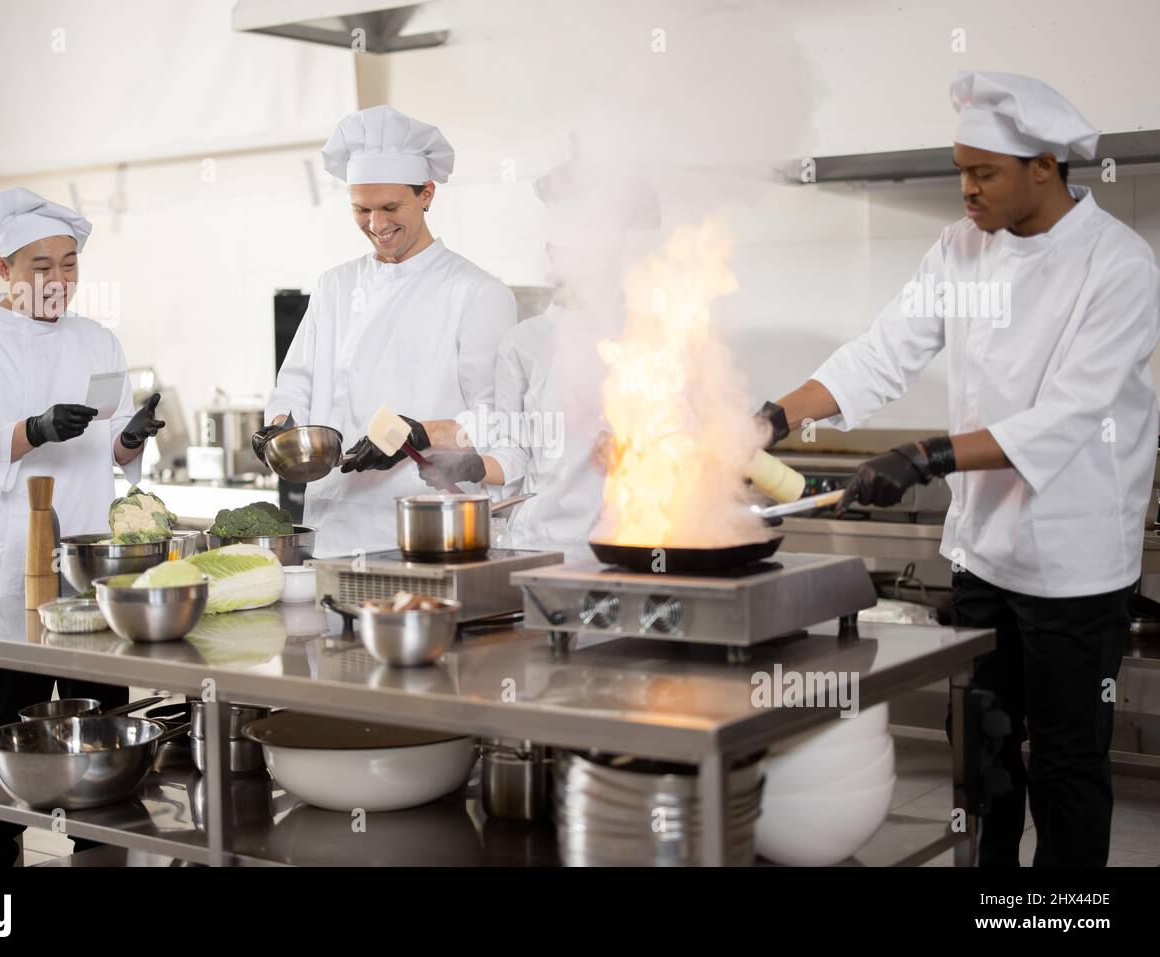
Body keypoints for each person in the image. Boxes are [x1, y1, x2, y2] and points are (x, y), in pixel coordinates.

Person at [755, 72, 1160, 866]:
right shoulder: (960, 248)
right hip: (983, 551)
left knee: (1067, 765)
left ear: (1044, 166)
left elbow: (1068, 413)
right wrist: (776, 414)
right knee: (982, 753)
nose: (966, 189)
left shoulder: (1118, 264)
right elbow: (884, 351)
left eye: (984, 173)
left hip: (1074, 562)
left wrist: (927, 456)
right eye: (959, 169)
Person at [0, 187, 165, 866]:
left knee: (106, 729)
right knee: (4, 723)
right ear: (3, 269)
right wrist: (30, 431)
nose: (58, 281)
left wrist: (132, 439)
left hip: (94, 574)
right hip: (10, 569)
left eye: (68, 264)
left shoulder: (98, 339)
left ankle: (101, 843)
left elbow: (109, 450)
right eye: (41, 266)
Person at [255, 106, 516, 557]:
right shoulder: (334, 285)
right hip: (330, 530)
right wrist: (279, 428)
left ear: (427, 193)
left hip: (422, 531)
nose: (376, 225)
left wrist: (418, 432)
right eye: (362, 209)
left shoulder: (477, 293)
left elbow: (497, 423)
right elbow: (295, 385)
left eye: (391, 207)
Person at [416, 161, 660, 561]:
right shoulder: (524, 343)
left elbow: (686, 444)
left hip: (632, 542)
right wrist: (471, 466)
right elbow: (514, 452)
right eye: (565, 252)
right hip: (542, 543)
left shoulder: (652, 336)